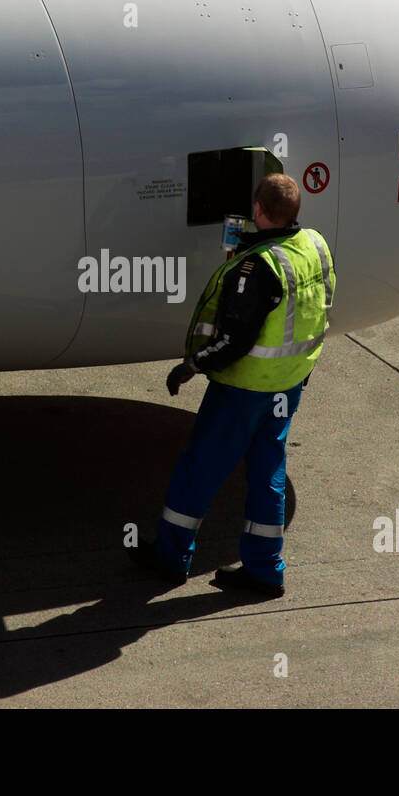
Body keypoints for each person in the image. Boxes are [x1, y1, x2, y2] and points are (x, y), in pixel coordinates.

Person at [129, 173, 335, 596]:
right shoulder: (313, 245)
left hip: (244, 389)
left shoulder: (255, 268)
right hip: (288, 384)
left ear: (258, 211)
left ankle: (170, 558)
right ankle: (264, 570)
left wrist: (191, 365)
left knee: (200, 468)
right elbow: (320, 302)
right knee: (267, 472)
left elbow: (234, 341)